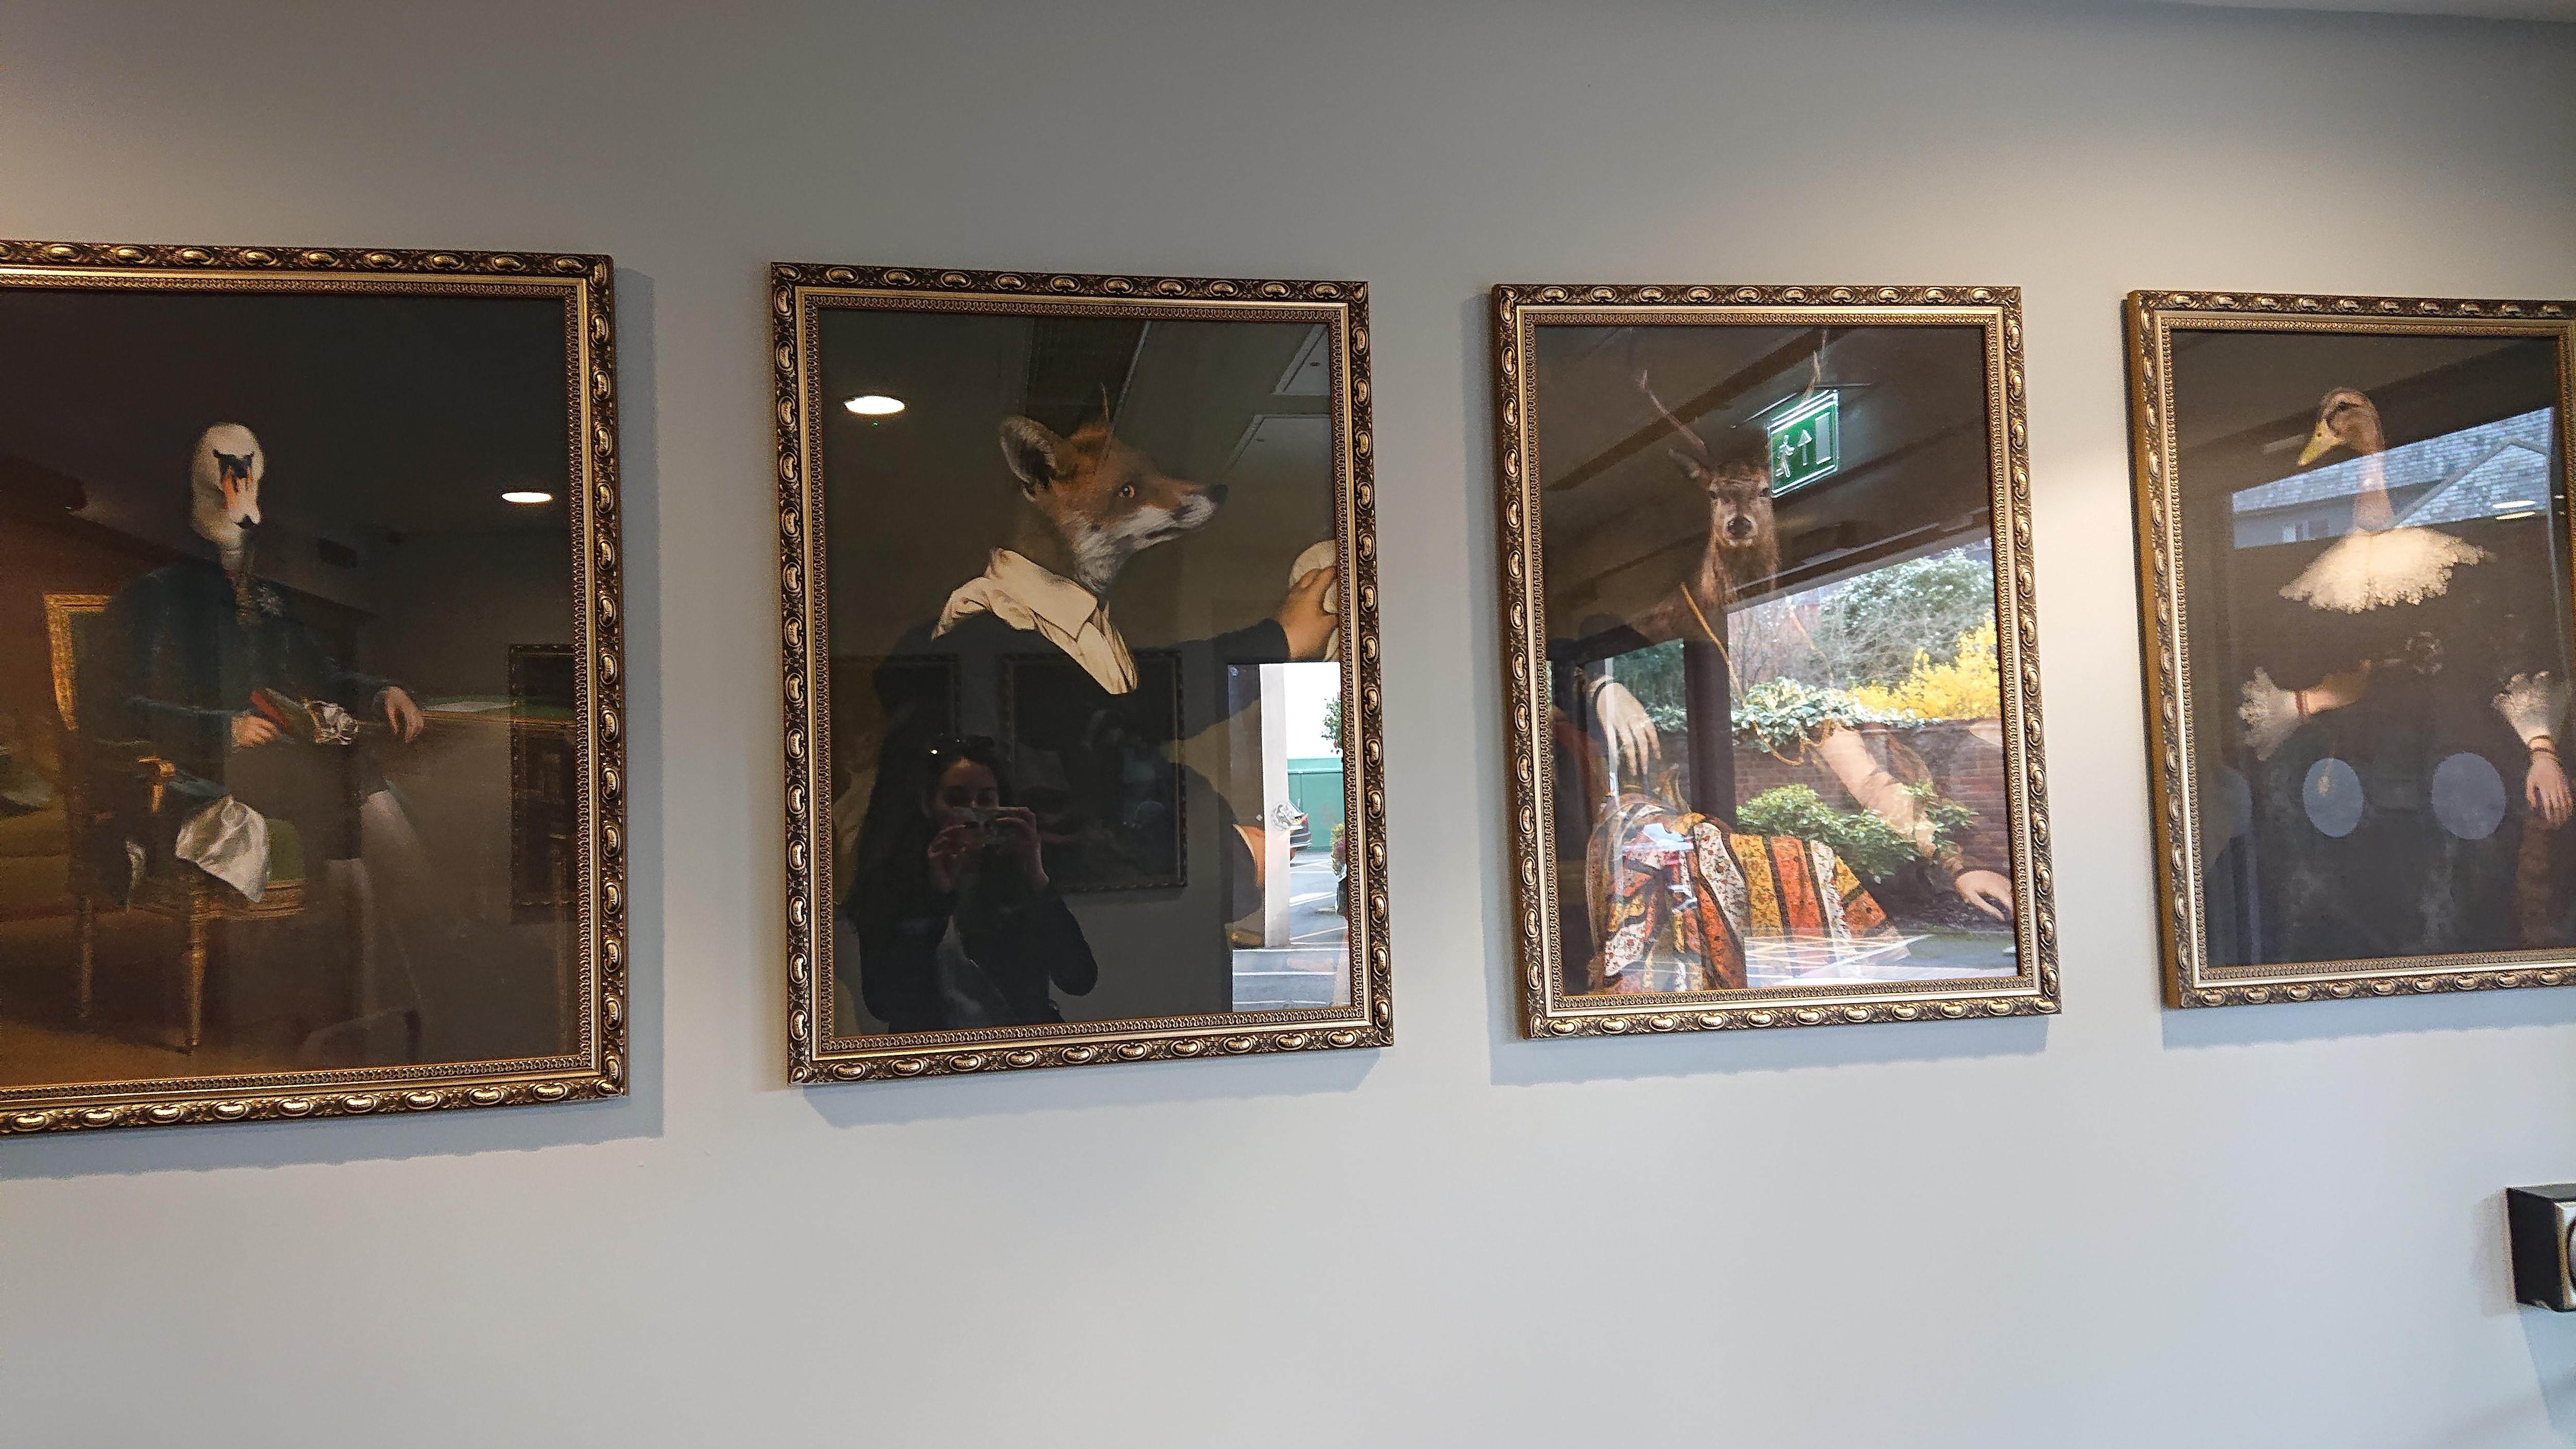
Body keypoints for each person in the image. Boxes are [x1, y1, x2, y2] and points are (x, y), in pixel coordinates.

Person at [846, 736, 1098, 1032]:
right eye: (957, 800)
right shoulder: (892, 883)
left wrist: (1037, 878)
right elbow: (884, 1002)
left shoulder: (1016, 879)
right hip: (932, 1052)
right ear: (928, 804)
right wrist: (934, 899)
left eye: (987, 800)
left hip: (1021, 1048)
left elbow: (1079, 979)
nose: (973, 810)